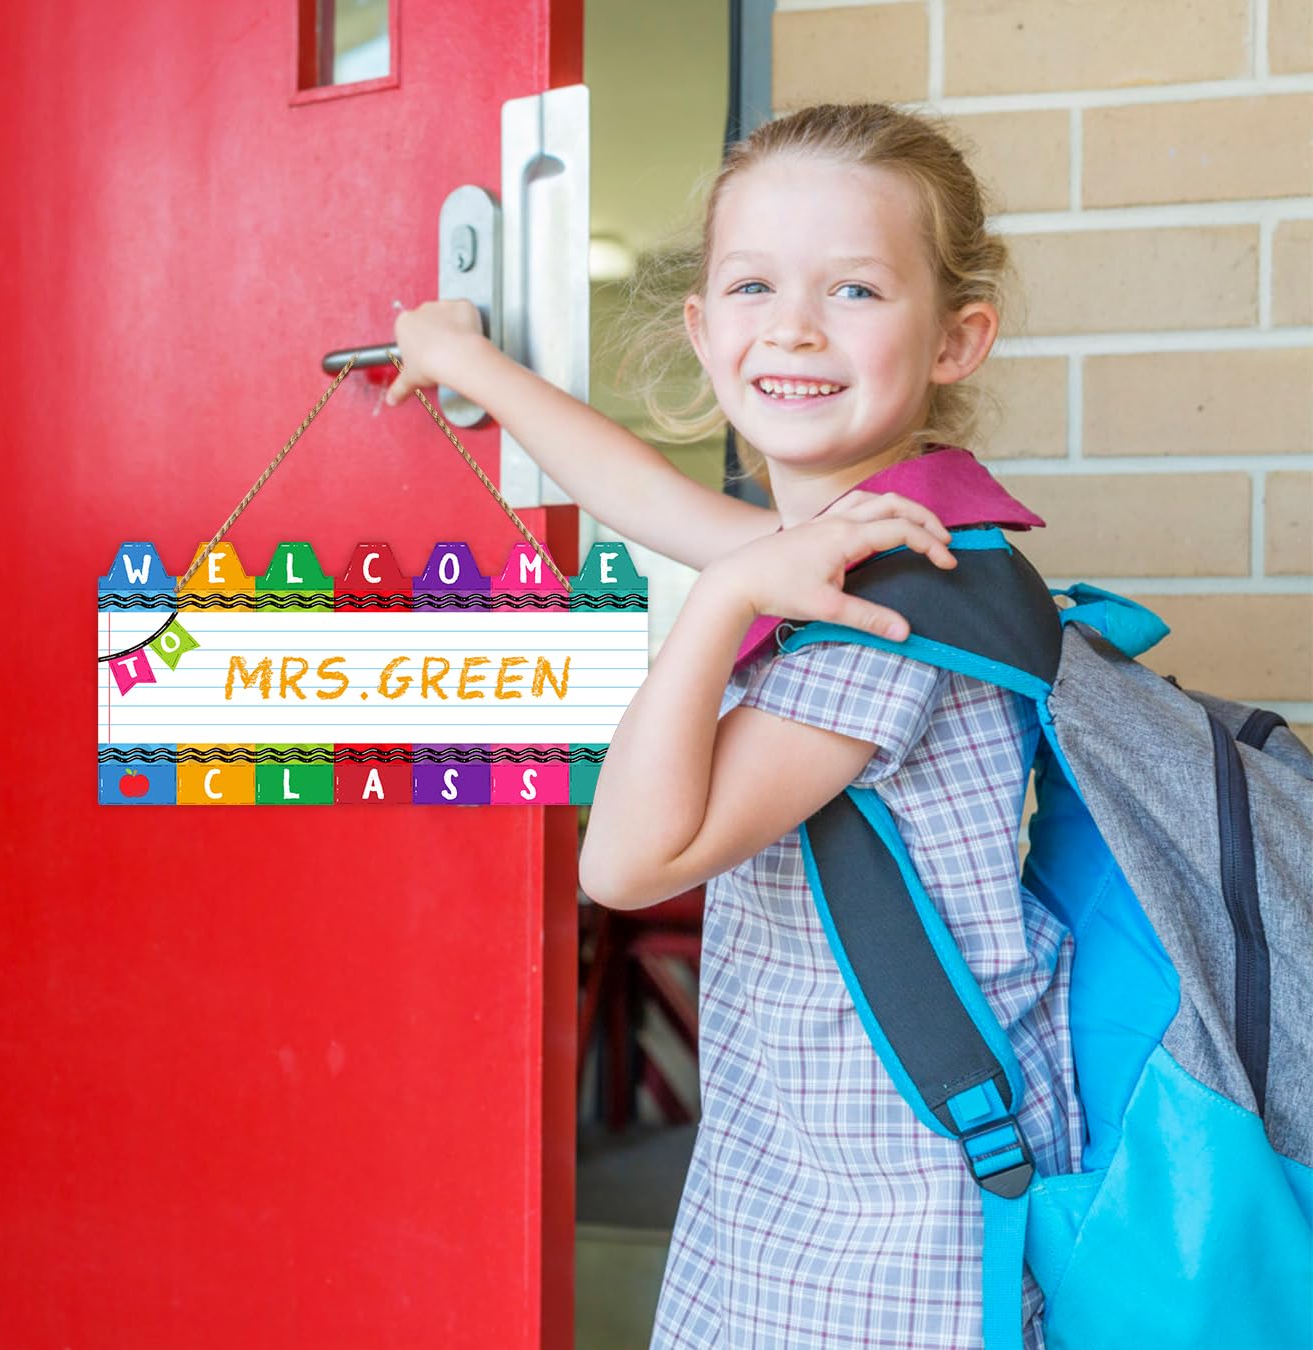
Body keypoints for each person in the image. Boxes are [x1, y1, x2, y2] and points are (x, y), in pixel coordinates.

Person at [388, 102, 1076, 1350]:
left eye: (856, 289)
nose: (796, 327)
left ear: (955, 339)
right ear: (704, 331)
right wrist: (462, 361)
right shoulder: (864, 537)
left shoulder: (890, 603)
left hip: (893, 1210)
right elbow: (641, 492)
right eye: (752, 284)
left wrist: (719, 605)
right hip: (810, 1157)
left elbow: (628, 861)